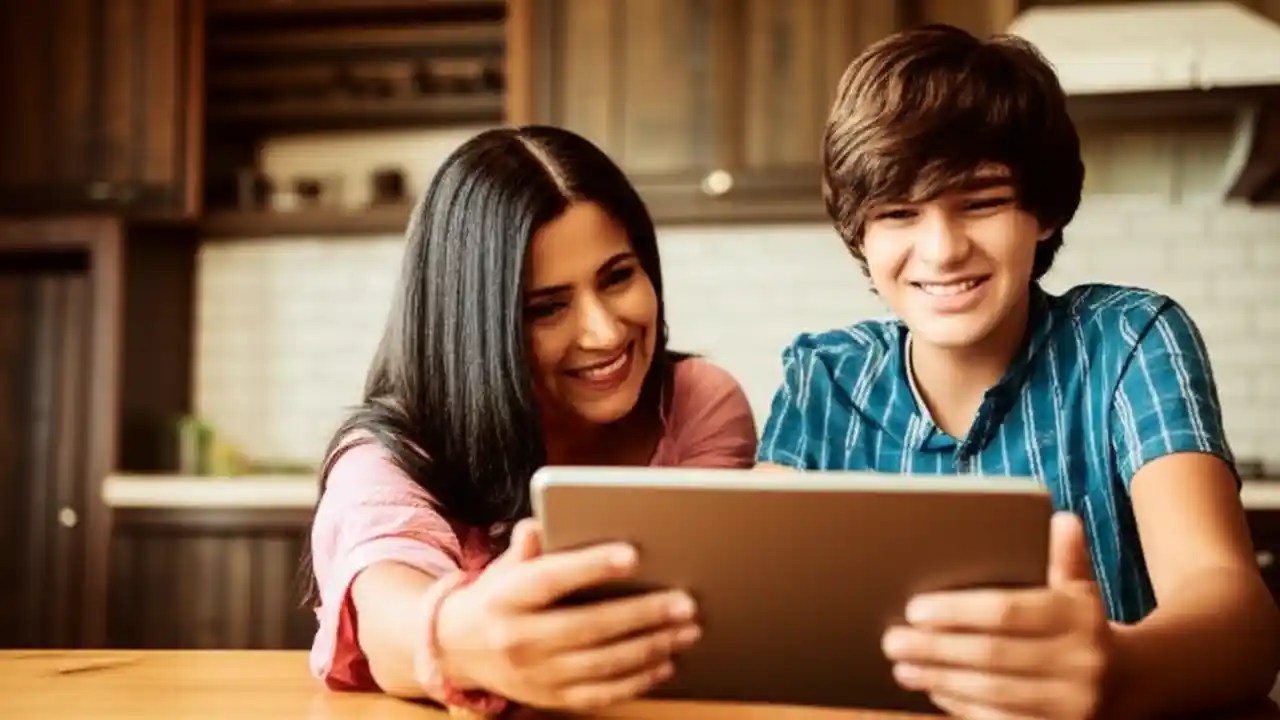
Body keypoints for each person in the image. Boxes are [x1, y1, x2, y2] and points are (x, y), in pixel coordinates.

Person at [757, 24, 1280, 720]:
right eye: (898, 212)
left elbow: (1235, 613)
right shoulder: (823, 376)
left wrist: (1114, 671)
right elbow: (753, 614)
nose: (941, 251)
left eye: (980, 201)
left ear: (1045, 210)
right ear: (860, 233)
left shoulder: (1126, 339)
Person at [306, 125, 758, 715]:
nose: (603, 332)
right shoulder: (390, 456)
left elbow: (713, 629)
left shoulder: (699, 404)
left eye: (618, 276)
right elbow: (388, 624)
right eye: (547, 308)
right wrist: (461, 638)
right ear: (474, 327)